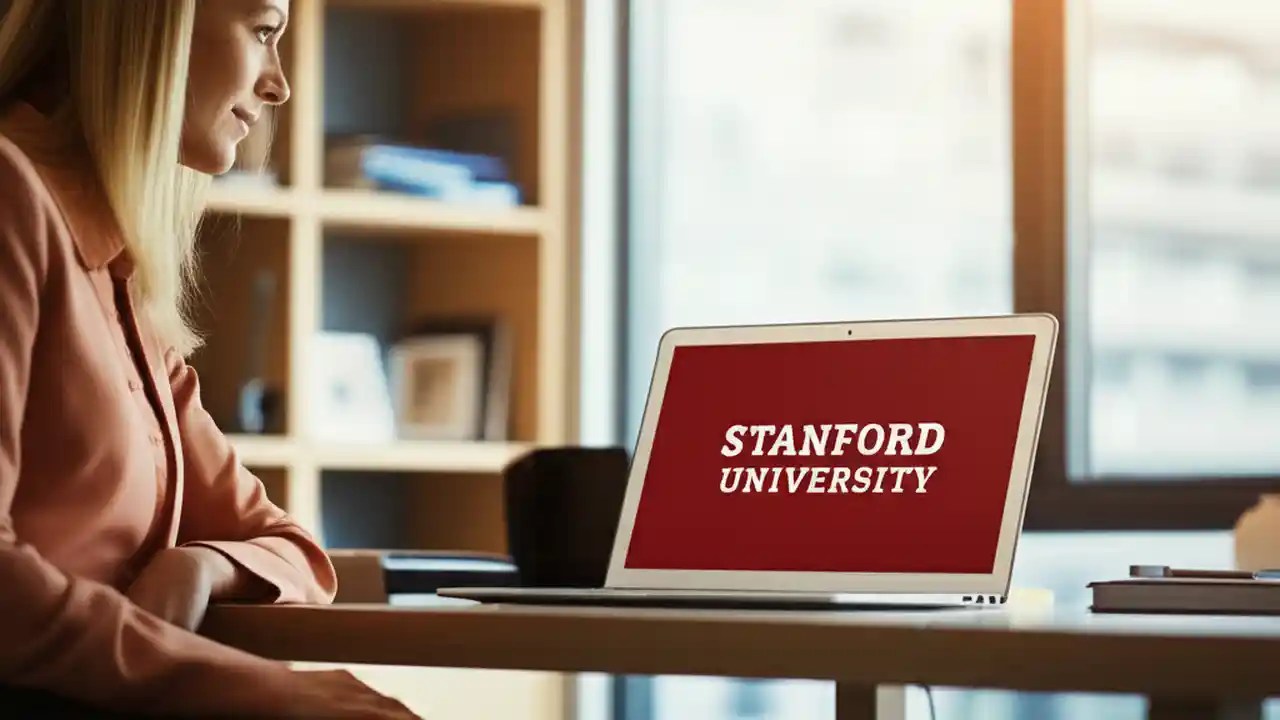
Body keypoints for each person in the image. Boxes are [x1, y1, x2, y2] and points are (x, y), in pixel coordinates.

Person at [0, 1, 420, 717]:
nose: (279, 84)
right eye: (263, 32)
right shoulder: (11, 199)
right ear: (155, 24)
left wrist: (199, 566)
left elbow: (292, 551)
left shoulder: (118, 270)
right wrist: (272, 694)